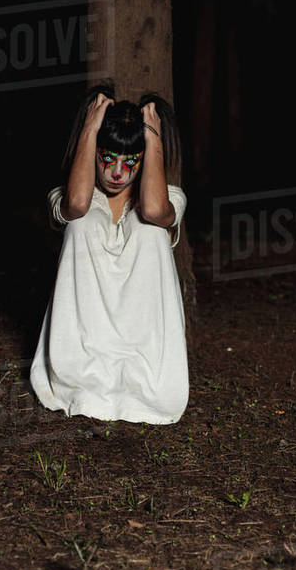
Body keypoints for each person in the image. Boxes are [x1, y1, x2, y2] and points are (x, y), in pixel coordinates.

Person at [29, 79, 189, 430]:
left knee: (152, 232)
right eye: (108, 158)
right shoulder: (66, 194)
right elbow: (76, 204)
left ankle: (137, 382)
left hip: (144, 351)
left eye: (131, 161)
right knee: (81, 223)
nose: (118, 172)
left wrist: (152, 136)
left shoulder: (170, 197)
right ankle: (84, 378)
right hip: (84, 349)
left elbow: (152, 210)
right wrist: (90, 127)